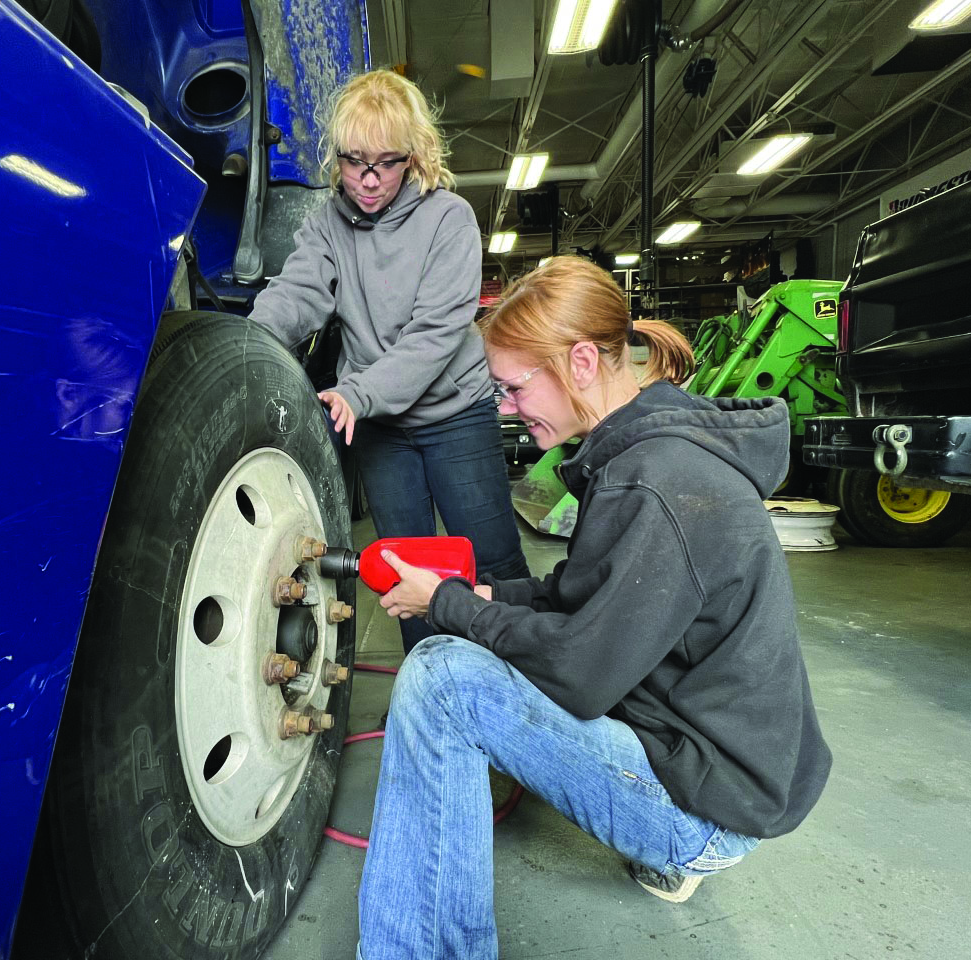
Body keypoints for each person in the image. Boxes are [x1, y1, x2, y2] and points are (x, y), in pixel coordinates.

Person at [356, 256, 833, 959]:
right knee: (467, 648)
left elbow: (580, 671)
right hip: (723, 764)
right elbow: (588, 599)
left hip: (708, 807)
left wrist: (451, 606)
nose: (507, 407)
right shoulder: (652, 452)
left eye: (514, 388)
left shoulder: (656, 483)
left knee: (442, 680)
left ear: (580, 361)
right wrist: (492, 596)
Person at [248, 69, 530, 653]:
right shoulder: (329, 223)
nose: (368, 180)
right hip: (382, 430)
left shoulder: (448, 219)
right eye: (354, 162)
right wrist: (246, 343)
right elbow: (298, 293)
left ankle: (520, 688)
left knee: (493, 558)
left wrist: (358, 392)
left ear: (414, 156)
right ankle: (432, 691)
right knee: (403, 572)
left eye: (385, 163)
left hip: (456, 416)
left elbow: (435, 334)